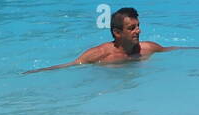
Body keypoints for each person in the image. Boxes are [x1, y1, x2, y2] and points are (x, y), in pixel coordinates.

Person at [26, 7, 189, 73]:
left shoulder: (149, 48)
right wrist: (37, 71)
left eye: (138, 26)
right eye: (132, 28)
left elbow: (175, 50)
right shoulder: (99, 54)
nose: (138, 31)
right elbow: (70, 66)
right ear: (117, 33)